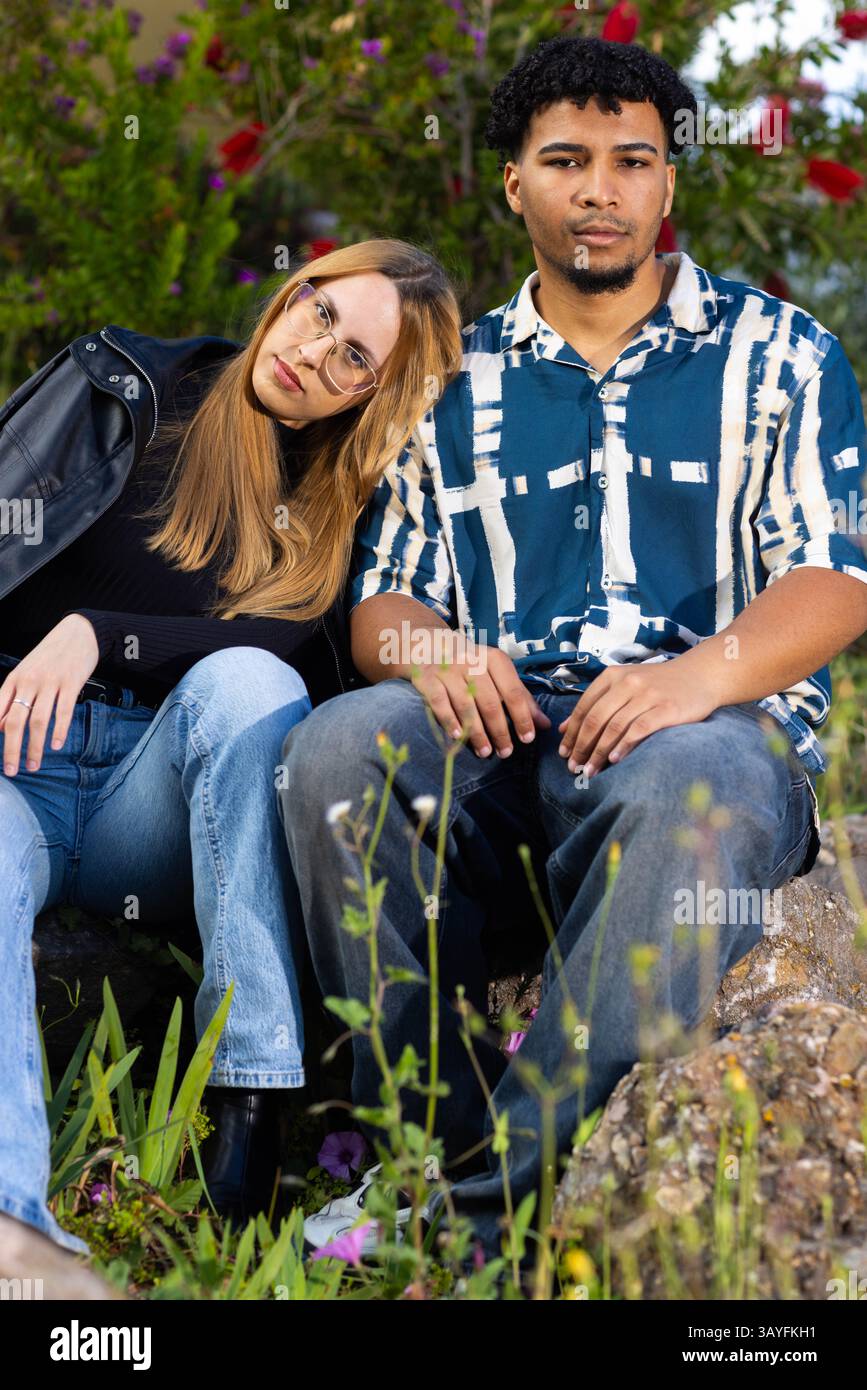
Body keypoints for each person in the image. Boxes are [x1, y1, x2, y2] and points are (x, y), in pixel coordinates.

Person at [279, 38, 867, 1268]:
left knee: (689, 783)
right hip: (498, 734)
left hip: (703, 725)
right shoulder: (446, 382)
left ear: (669, 185)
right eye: (565, 160)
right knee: (335, 747)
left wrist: (695, 676)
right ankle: (418, 1156)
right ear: (514, 184)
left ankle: (484, 1218)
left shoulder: (781, 355)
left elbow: (836, 578)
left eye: (629, 161)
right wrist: (435, 650)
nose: (598, 189)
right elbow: (382, 600)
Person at [0, 238, 464, 1288]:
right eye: (319, 310)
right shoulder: (123, 384)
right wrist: (59, 635)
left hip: (153, 803)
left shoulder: (346, 508)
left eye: (356, 361)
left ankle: (251, 1106)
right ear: (294, 290)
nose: (314, 350)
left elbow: (295, 656)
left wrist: (100, 633)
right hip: (13, 761)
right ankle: (15, 1232)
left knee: (251, 688)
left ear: (374, 401)